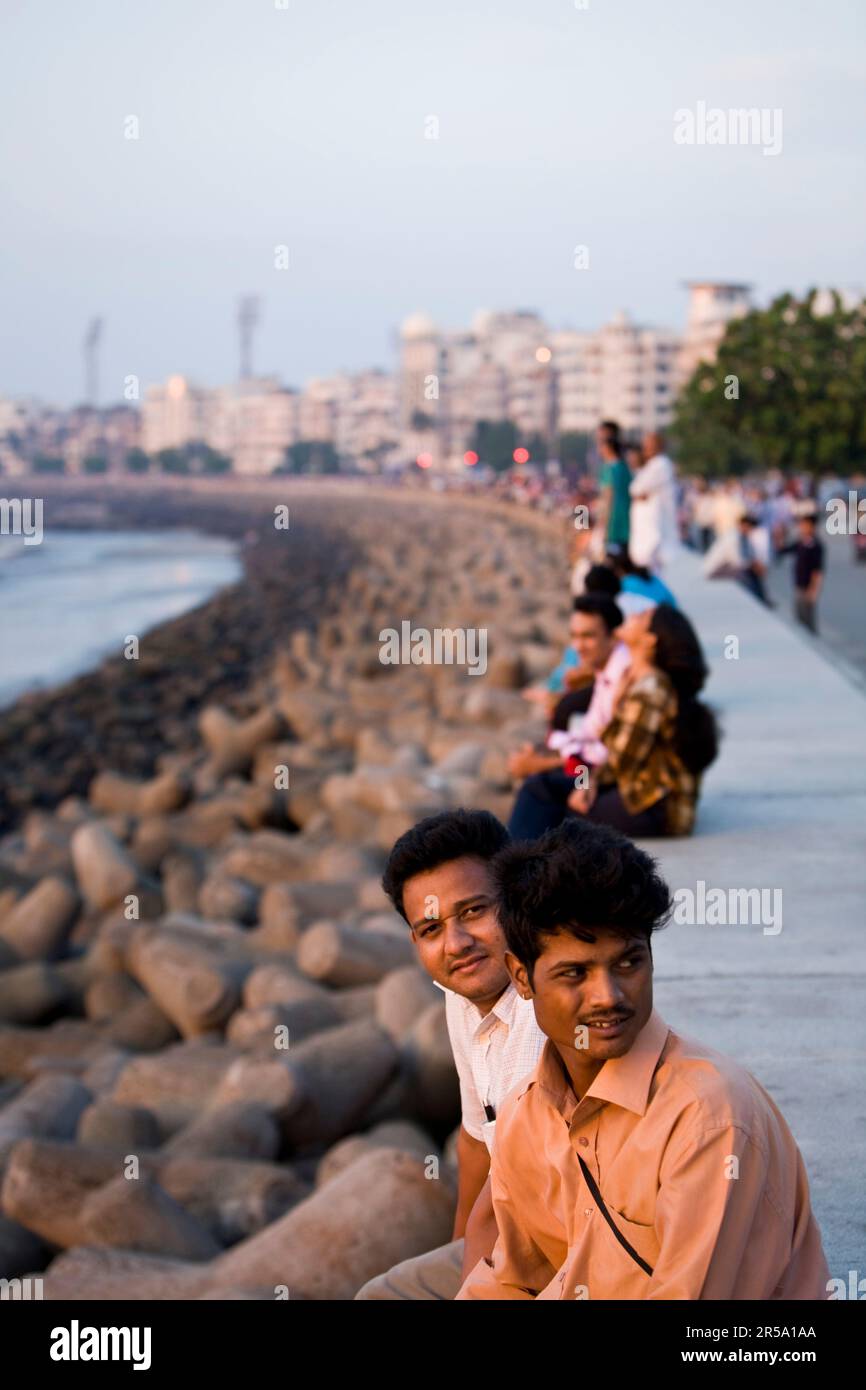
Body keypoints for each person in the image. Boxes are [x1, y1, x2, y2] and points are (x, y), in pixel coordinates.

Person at [457, 820, 831, 1301]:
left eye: (629, 963)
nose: (608, 996)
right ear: (522, 978)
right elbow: (514, 1280)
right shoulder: (525, 1116)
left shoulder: (707, 1119)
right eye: (575, 973)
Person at [354, 809, 545, 1300]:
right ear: (415, 940)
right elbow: (476, 1141)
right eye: (432, 929)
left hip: (575, 1242)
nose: (457, 944)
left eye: (474, 912)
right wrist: (461, 1250)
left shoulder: (544, 1008)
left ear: (516, 898)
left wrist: (469, 1285)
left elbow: (526, 1186)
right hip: (516, 1234)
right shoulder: (460, 995)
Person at [510, 603, 717, 839]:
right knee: (543, 790)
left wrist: (588, 783)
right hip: (641, 792)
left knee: (555, 808)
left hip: (655, 808)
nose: (633, 614)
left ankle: (509, 870)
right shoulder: (639, 680)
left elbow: (621, 758)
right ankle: (513, 866)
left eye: (642, 616)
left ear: (650, 640)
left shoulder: (651, 687)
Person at [508, 596, 628, 787]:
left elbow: (604, 757)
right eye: (574, 636)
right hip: (587, 766)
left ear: (614, 636)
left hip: (601, 780)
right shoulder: (604, 672)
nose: (577, 646)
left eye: (588, 636)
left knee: (537, 787)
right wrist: (546, 753)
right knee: (536, 775)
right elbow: (589, 734)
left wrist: (542, 764)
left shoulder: (622, 677)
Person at [628, 432, 678, 571]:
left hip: (656, 529)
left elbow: (636, 489)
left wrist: (640, 494)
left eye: (648, 446)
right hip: (649, 529)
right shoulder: (650, 466)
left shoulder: (660, 464)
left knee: (654, 567)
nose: (644, 450)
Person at [780, 510, 824, 634]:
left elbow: (818, 570)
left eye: (804, 525)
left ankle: (813, 645)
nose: (802, 528)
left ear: (812, 526)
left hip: (808, 587)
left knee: (807, 619)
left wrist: (814, 590)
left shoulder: (816, 545)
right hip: (799, 585)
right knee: (799, 617)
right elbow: (784, 550)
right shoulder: (801, 542)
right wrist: (779, 536)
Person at [606, 547, 677, 614]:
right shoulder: (649, 574)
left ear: (618, 570)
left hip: (659, 615)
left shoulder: (627, 583)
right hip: (672, 612)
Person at [596, 421, 631, 551]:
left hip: (614, 529)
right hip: (626, 528)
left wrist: (602, 528)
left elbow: (607, 499)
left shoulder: (609, 469)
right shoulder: (625, 466)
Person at [736, 513, 772, 606]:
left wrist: (759, 565)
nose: (740, 529)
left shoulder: (757, 535)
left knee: (755, 588)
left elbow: (759, 553)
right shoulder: (752, 534)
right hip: (752, 567)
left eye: (742, 526)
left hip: (755, 567)